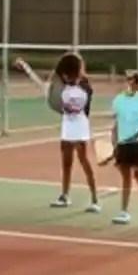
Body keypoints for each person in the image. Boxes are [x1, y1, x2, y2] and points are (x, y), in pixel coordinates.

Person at [49, 52, 100, 213]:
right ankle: (64, 195)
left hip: (79, 126)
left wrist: (69, 106)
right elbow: (59, 104)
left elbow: (81, 106)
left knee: (84, 160)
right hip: (67, 125)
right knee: (66, 161)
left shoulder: (84, 87)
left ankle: (95, 199)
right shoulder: (64, 86)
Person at [106, 70, 138, 227]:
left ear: (137, 82)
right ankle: (124, 212)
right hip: (123, 144)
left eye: (131, 80)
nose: (128, 83)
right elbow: (116, 122)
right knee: (126, 178)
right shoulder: (118, 100)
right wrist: (114, 142)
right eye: (126, 79)